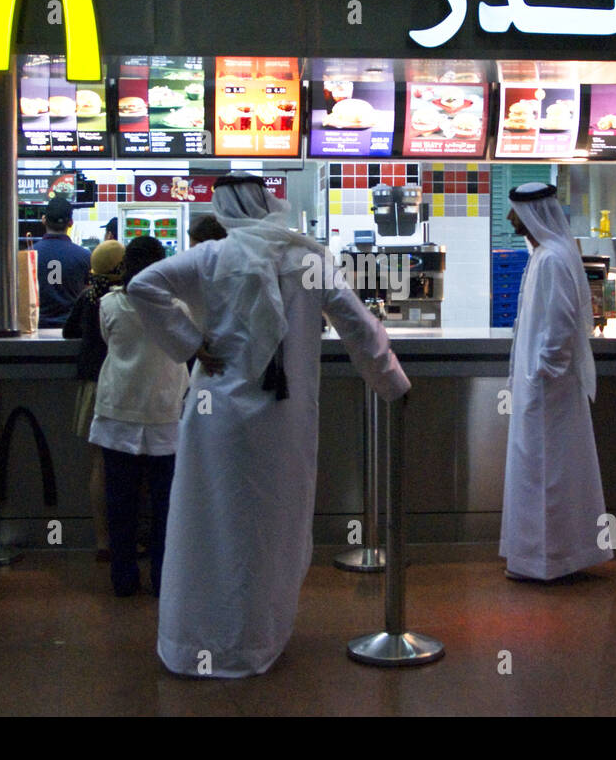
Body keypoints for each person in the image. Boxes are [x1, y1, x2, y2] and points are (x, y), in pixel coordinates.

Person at [127, 172, 409, 678]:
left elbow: (142, 285)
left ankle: (196, 645)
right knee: (270, 529)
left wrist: (191, 344)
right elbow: (358, 325)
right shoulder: (307, 257)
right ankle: (256, 642)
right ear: (268, 202)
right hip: (284, 423)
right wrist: (392, 384)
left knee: (211, 526)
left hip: (217, 419)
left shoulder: (213, 256)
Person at [501, 182, 612, 581]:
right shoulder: (548, 254)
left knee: (544, 473)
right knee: (551, 471)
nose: (512, 220)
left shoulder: (550, 259)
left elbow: (561, 323)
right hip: (545, 385)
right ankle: (551, 555)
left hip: (548, 387)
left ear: (532, 214)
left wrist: (543, 372)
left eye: (516, 212)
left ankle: (547, 560)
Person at [92, 237, 189, 597]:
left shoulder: (108, 305)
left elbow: (107, 342)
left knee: (122, 505)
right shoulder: (179, 307)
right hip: (166, 413)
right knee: (166, 507)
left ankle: (123, 577)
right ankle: (163, 578)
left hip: (118, 412)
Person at [62, 239, 126, 561]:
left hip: (92, 384)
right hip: (124, 386)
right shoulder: (130, 299)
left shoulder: (88, 298)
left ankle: (103, 541)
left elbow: (67, 333)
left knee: (99, 464)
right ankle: (130, 537)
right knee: (133, 465)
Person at [33, 196, 91, 328]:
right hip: (72, 329)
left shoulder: (29, 255)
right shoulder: (85, 256)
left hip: (36, 328)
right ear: (70, 222)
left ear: (44, 220)